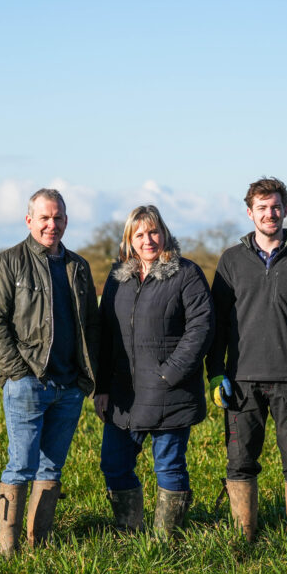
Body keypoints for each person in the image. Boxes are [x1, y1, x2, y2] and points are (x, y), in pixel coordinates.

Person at [207, 177, 287, 543]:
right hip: (242, 381)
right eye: (261, 208)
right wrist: (215, 373)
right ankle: (243, 536)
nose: (269, 213)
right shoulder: (231, 261)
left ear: (286, 210)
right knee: (240, 462)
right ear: (250, 213)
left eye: (275, 206)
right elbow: (216, 323)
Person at [0, 188, 99, 557]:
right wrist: (16, 372)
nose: (52, 224)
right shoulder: (9, 262)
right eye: (44, 217)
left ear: (66, 220)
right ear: (29, 220)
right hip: (27, 383)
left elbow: (89, 324)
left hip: (68, 386)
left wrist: (83, 379)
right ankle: (7, 548)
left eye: (58, 217)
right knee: (21, 466)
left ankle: (38, 542)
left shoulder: (78, 266)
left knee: (51, 469)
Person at [93, 205, 213, 536]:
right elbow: (106, 334)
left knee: (170, 467)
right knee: (114, 465)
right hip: (123, 394)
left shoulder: (186, 274)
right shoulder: (119, 278)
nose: (148, 240)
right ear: (129, 240)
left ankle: (165, 540)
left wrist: (169, 374)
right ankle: (129, 531)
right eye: (140, 234)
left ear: (165, 234)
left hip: (170, 391)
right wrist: (102, 387)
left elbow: (201, 327)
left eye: (154, 232)